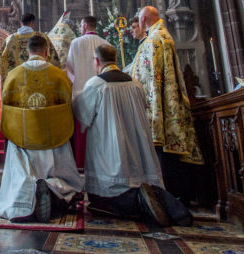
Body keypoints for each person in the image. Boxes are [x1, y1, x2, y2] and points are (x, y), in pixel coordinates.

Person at [73, 43, 192, 226]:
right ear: (116, 60)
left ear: (97, 61)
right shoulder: (135, 83)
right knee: (139, 182)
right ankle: (151, 200)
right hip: (138, 150)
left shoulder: (96, 85)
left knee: (110, 197)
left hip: (110, 152)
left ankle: (137, 202)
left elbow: (82, 114)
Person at [0, 35, 82, 223]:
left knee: (21, 174)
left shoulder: (14, 75)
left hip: (23, 139)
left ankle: (25, 198)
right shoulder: (59, 75)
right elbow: (67, 108)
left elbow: (7, 110)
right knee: (63, 176)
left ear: (27, 52)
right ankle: (53, 189)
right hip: (53, 139)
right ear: (47, 52)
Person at [132, 6, 203, 202]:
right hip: (166, 103)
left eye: (138, 19)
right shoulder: (162, 36)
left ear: (144, 18)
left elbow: (147, 79)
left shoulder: (154, 41)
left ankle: (168, 197)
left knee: (164, 157)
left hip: (157, 108)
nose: (137, 24)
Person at [65, 15, 108, 168]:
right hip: (101, 93)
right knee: (100, 129)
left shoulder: (76, 43)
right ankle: (101, 163)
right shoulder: (105, 43)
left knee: (82, 132)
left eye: (81, 25)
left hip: (81, 93)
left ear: (84, 26)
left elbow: (69, 69)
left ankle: (81, 162)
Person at [0, 12, 59, 81]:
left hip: (17, 81)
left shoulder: (10, 39)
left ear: (20, 23)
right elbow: (54, 60)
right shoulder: (42, 37)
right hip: (39, 79)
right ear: (32, 23)